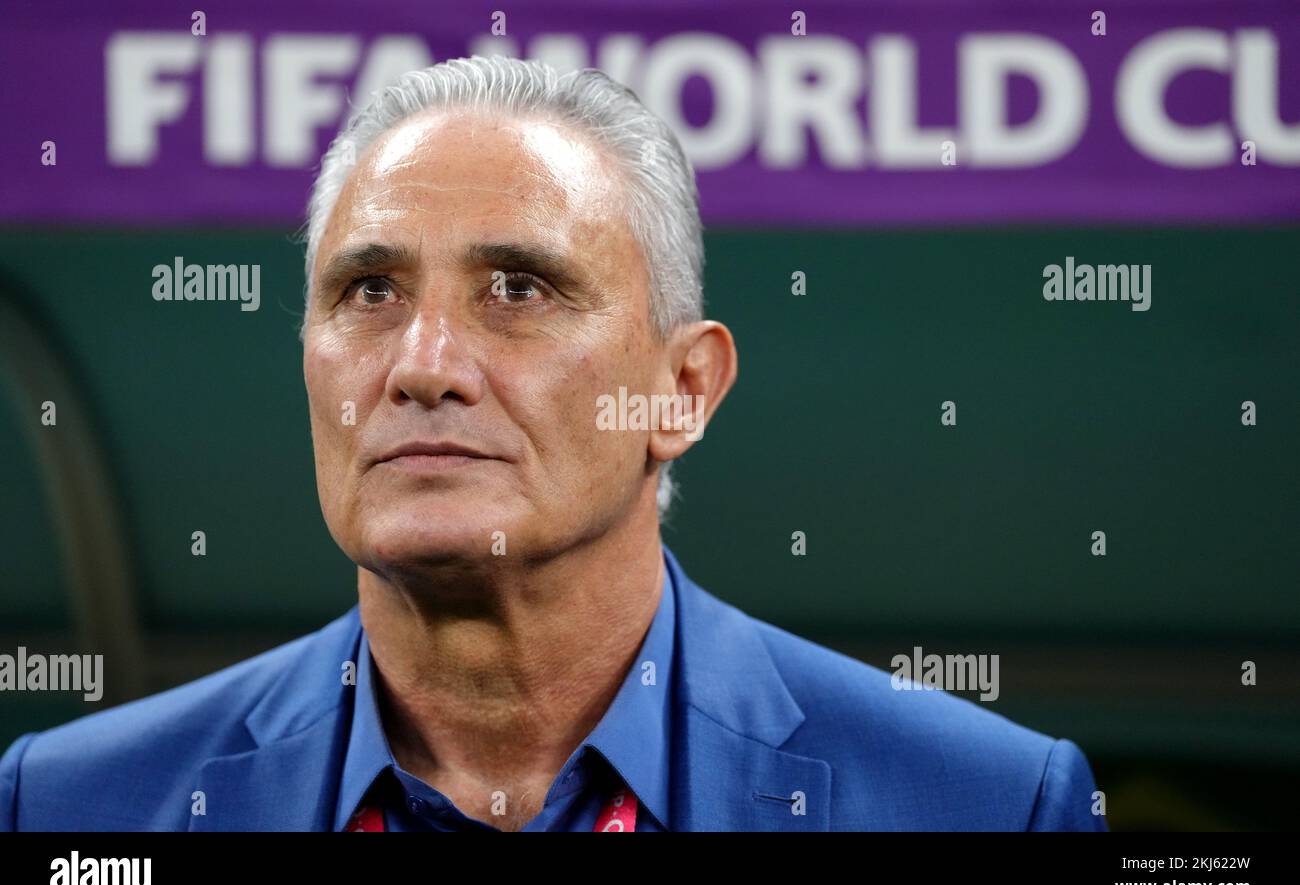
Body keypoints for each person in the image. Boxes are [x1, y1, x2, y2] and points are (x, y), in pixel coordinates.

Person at [0, 56, 1105, 831]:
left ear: (683, 389)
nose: (422, 362)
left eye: (518, 288)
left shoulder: (985, 807)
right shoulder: (67, 810)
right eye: (369, 290)